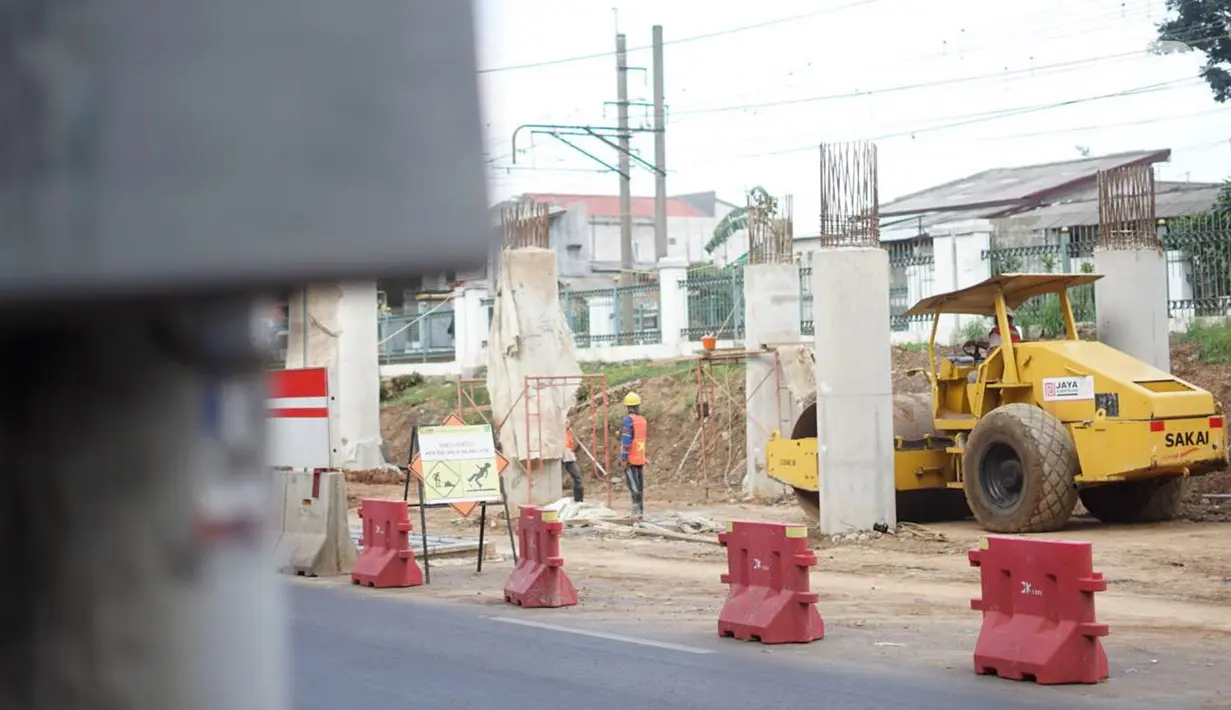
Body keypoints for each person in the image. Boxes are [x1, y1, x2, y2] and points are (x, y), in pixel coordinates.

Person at [620, 391, 648, 518]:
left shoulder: (628, 421)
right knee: (640, 486)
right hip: (640, 458)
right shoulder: (642, 420)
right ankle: (640, 512)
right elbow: (640, 440)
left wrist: (623, 457)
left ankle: (636, 513)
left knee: (633, 486)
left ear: (628, 407)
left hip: (631, 458)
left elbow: (627, 440)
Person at [562, 422, 583, 503]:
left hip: (569, 456)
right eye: (566, 423)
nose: (567, 424)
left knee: (577, 477)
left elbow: (572, 445)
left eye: (568, 423)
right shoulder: (557, 431)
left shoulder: (569, 432)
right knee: (558, 479)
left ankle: (578, 500)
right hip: (560, 456)